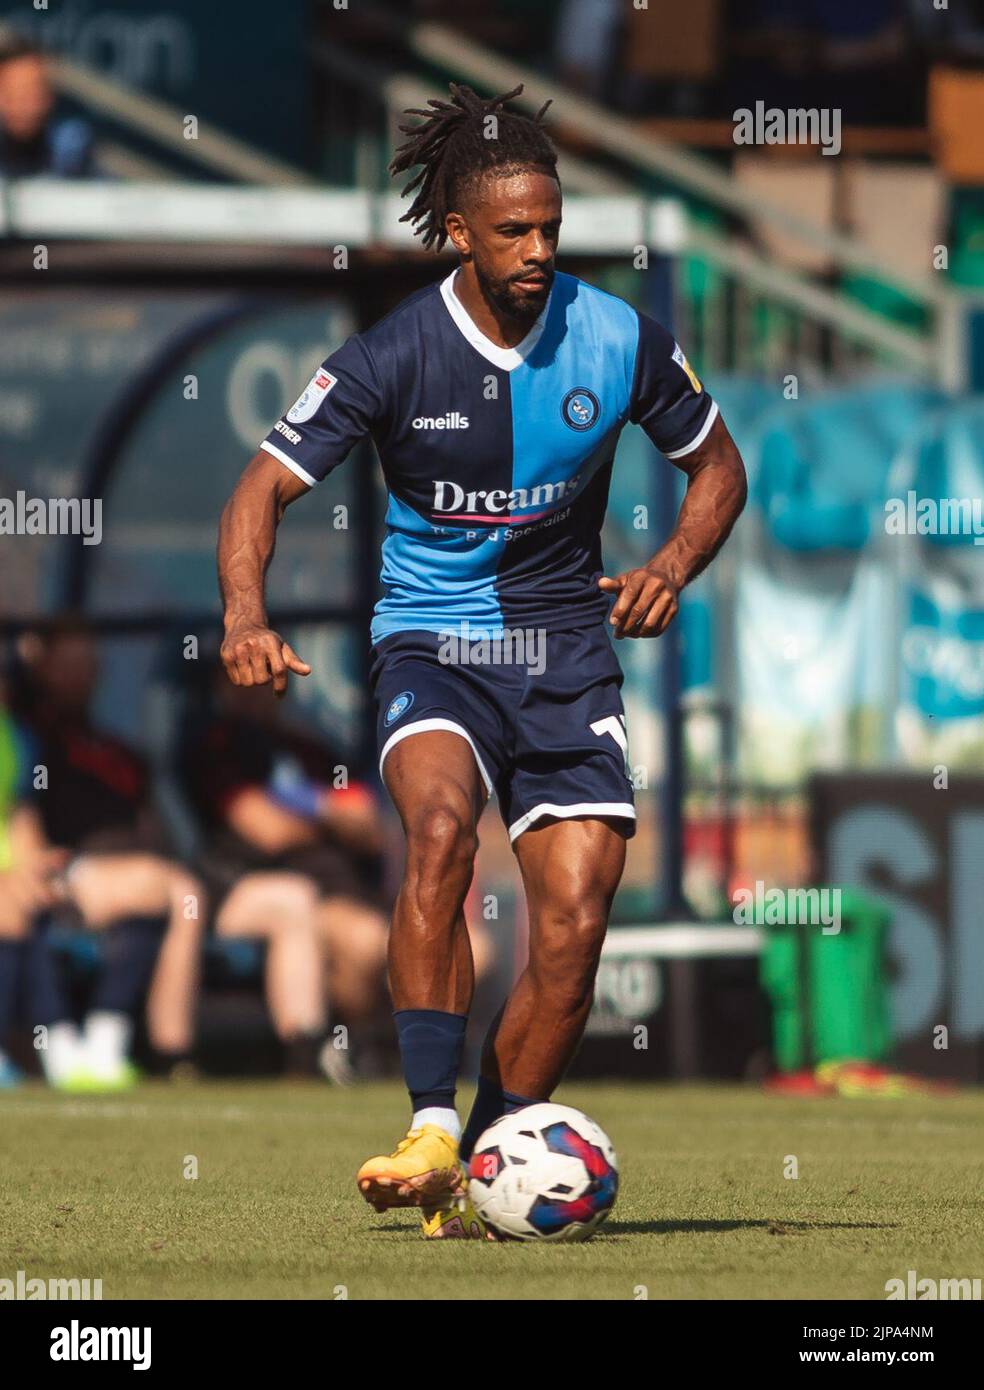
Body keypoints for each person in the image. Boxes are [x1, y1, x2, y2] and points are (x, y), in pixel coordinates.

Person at [217, 83, 746, 1238]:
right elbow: (262, 484)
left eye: (551, 228)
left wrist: (671, 565)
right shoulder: (394, 353)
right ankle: (428, 1122)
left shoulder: (618, 335)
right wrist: (247, 613)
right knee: (444, 832)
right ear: (458, 230)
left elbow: (719, 468)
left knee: (573, 924)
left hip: (564, 648)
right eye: (513, 232)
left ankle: (497, 1149)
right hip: (434, 642)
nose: (538, 251)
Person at [10, 617, 202, 1089]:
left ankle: (120, 1042)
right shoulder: (28, 729)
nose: (80, 674)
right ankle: (77, 1044)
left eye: (88, 663)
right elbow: (26, 815)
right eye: (67, 662)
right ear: (41, 664)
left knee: (174, 893)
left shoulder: (114, 748)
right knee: (163, 889)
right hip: (60, 868)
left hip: (104, 875)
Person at [178, 672, 391, 1081]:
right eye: (247, 675)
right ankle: (335, 1055)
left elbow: (369, 826)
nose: (260, 688)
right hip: (250, 886)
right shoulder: (217, 743)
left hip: (353, 893)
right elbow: (266, 828)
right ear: (223, 684)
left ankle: (456, 1070)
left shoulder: (310, 749)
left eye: (270, 675)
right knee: (364, 939)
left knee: (474, 950)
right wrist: (330, 812)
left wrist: (314, 809)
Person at [0, 33, 96, 178]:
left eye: (34, 92)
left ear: (49, 96)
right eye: (15, 94)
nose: (26, 106)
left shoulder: (70, 143)